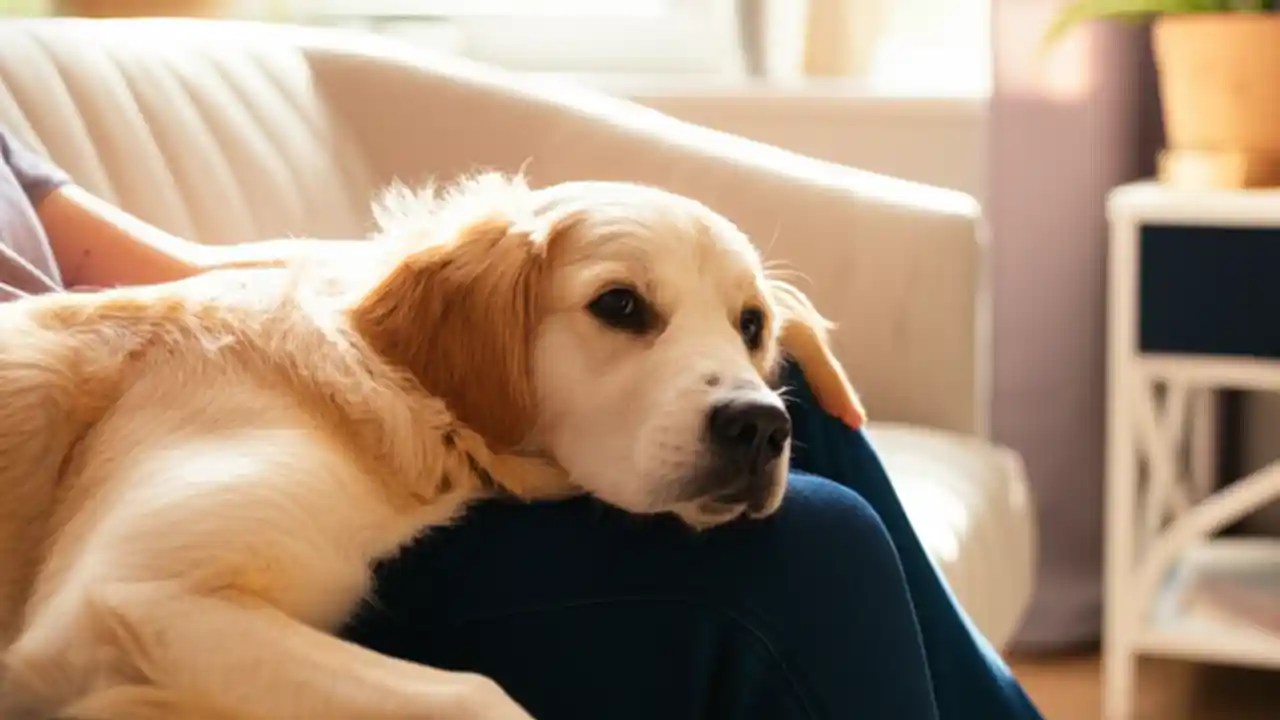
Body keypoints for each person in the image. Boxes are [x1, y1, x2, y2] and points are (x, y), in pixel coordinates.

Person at [1, 127, 1043, 720]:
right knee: (818, 550)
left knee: (800, 407)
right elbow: (113, 618)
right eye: (618, 309)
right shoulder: (255, 424)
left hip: (243, 390)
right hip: (165, 514)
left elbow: (164, 273)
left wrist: (735, 325)